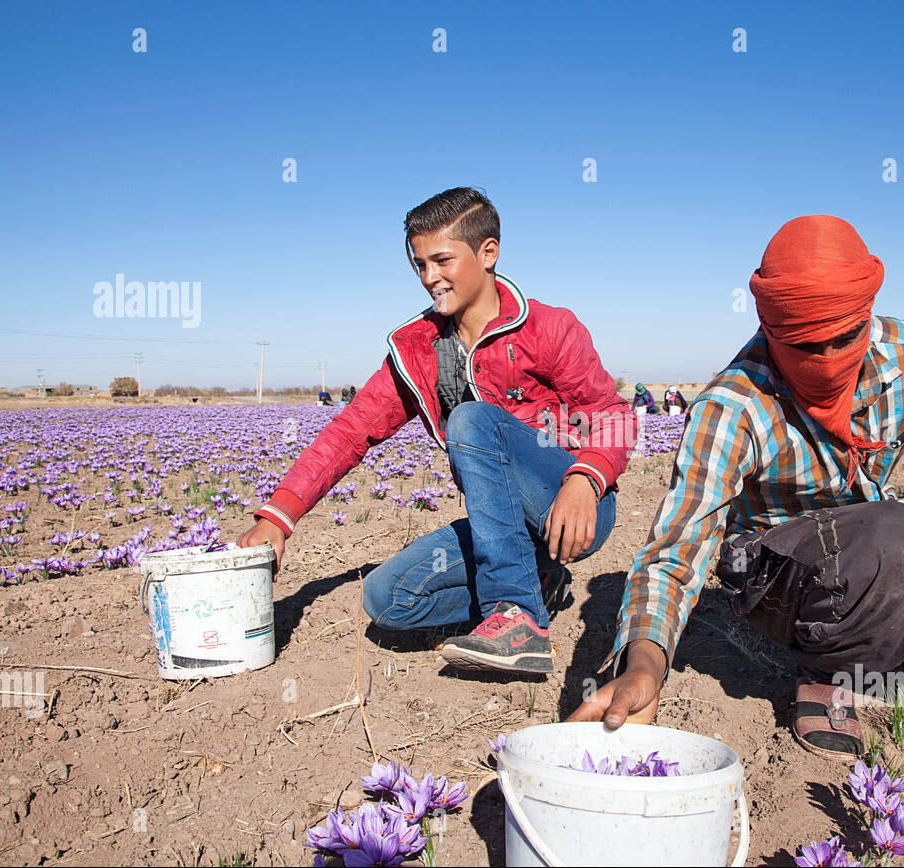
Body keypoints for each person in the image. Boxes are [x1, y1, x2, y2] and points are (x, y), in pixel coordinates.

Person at [571, 215, 904, 760]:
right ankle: (829, 674)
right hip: (778, 573)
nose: (828, 361)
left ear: (868, 313)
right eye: (805, 346)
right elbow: (676, 551)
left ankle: (897, 656)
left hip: (884, 553)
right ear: (770, 328)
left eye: (846, 338)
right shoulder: (733, 404)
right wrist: (644, 663)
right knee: (892, 530)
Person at [237, 187, 630, 674]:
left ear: (488, 252)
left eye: (441, 260)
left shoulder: (548, 328)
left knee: (471, 417)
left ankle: (518, 618)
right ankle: (540, 582)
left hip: (573, 502)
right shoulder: (418, 349)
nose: (429, 277)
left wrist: (583, 481)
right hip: (505, 523)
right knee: (388, 599)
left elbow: (611, 412)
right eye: (419, 264)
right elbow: (349, 431)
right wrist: (279, 517)